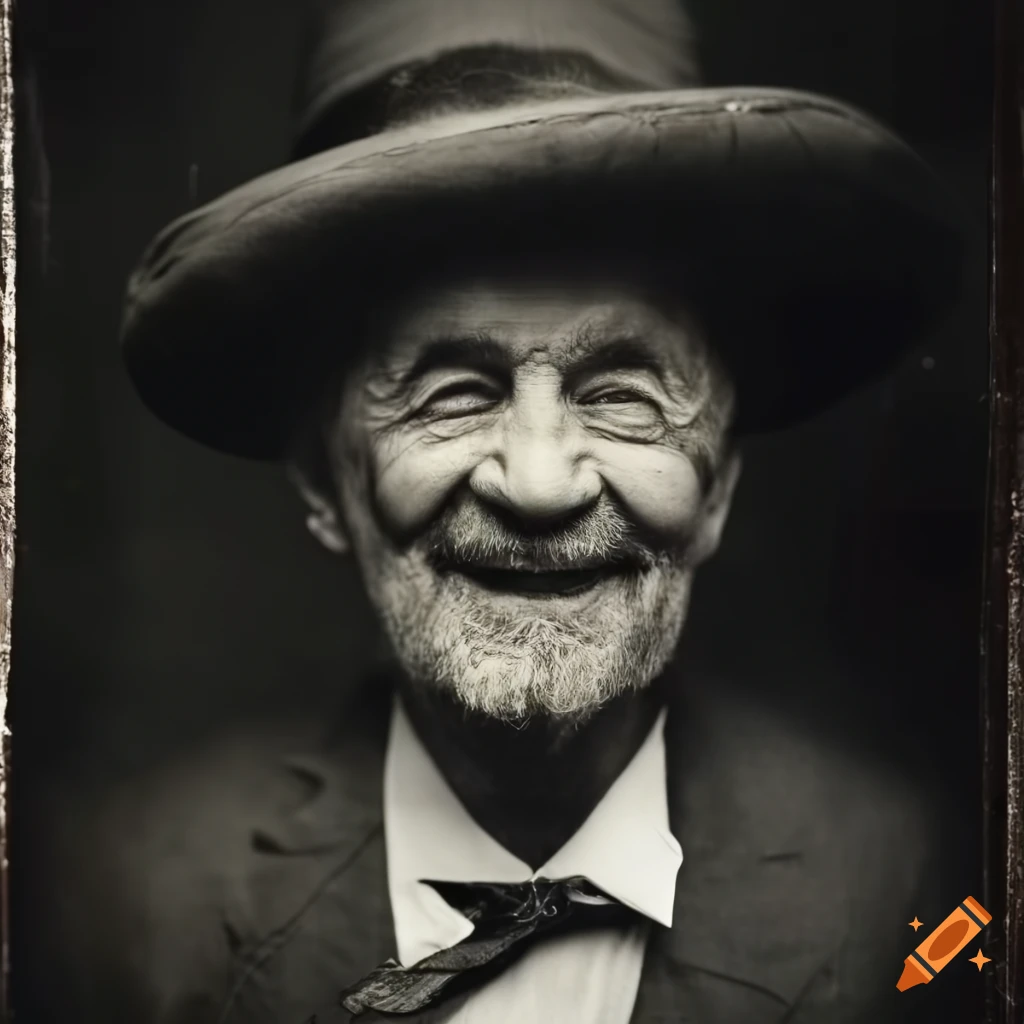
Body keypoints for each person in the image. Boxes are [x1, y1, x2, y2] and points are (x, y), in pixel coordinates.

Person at [66, 0, 964, 1021]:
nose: (538, 485)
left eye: (621, 392)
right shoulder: (126, 901)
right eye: (452, 393)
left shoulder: (905, 886)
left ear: (715, 485)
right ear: (327, 482)